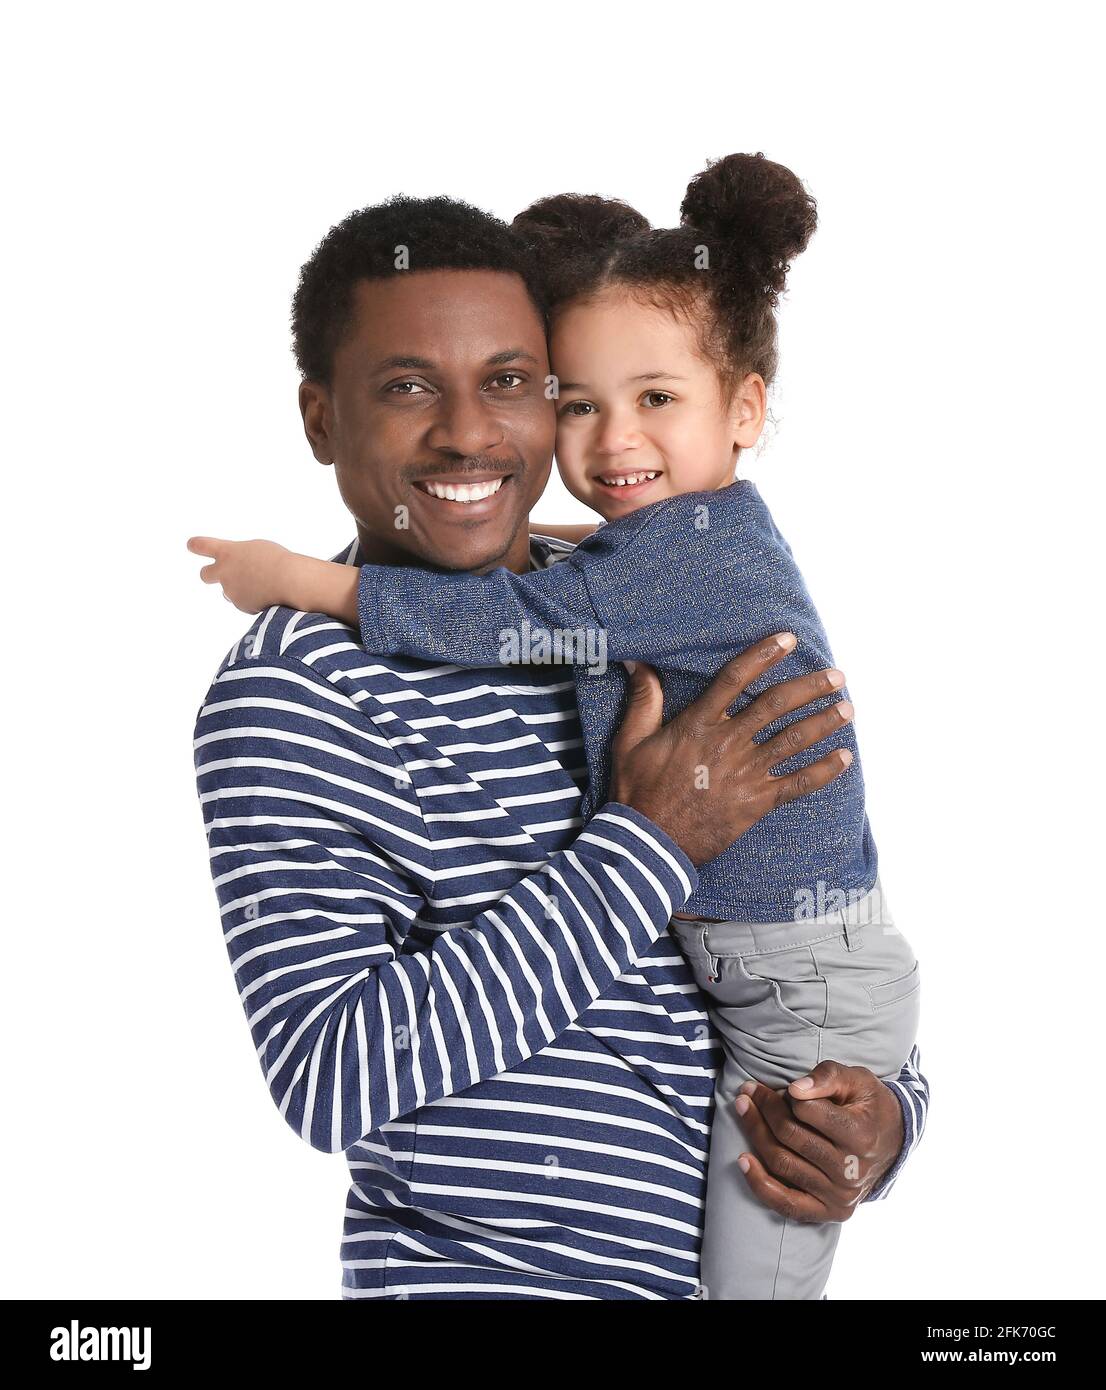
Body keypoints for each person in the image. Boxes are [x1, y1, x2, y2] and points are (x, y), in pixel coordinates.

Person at [190, 188, 929, 1300]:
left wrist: (873, 1118)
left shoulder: (628, 602)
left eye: (512, 385)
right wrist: (650, 839)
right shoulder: (300, 690)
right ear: (319, 418)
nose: (467, 432)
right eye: (404, 387)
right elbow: (327, 1074)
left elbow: (787, 939)